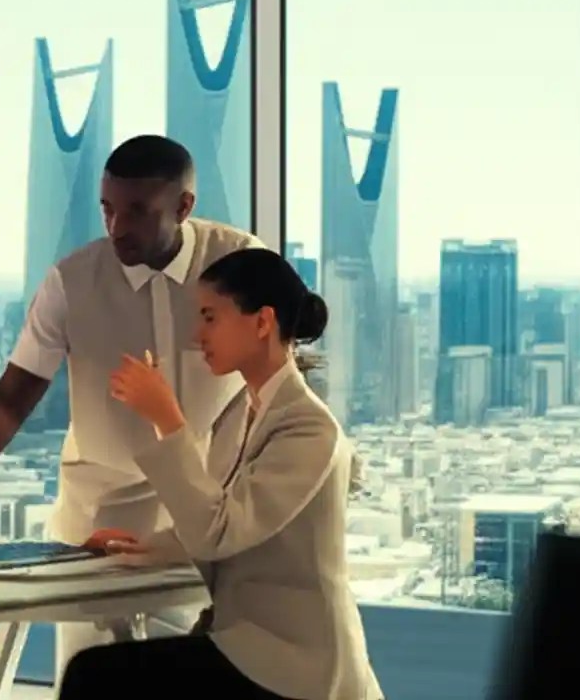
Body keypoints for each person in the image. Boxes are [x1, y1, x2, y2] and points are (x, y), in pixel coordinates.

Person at [0, 134, 263, 668]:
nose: (117, 228)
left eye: (137, 211)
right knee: (94, 678)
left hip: (207, 509)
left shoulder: (242, 263)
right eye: (107, 209)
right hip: (100, 517)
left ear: (184, 207)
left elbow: (274, 376)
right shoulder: (71, 281)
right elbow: (11, 398)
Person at [64, 248, 381, 700]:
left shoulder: (309, 428)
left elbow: (219, 532)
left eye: (210, 317)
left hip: (295, 664)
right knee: (101, 672)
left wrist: (166, 417)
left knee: (95, 677)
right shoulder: (246, 414)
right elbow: (220, 520)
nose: (198, 335)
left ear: (261, 322)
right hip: (248, 646)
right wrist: (140, 547)